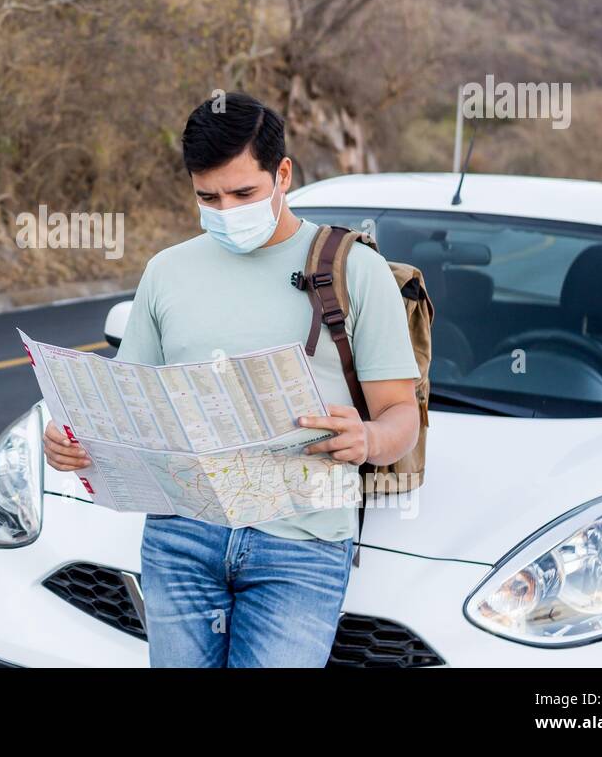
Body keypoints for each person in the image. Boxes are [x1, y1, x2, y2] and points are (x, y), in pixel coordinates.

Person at [42, 91, 421, 667]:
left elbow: (401, 417)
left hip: (303, 547)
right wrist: (73, 441)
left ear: (283, 173)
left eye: (242, 193)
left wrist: (369, 438)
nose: (224, 210)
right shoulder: (167, 272)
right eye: (207, 197)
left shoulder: (355, 270)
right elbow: (127, 403)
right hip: (182, 535)